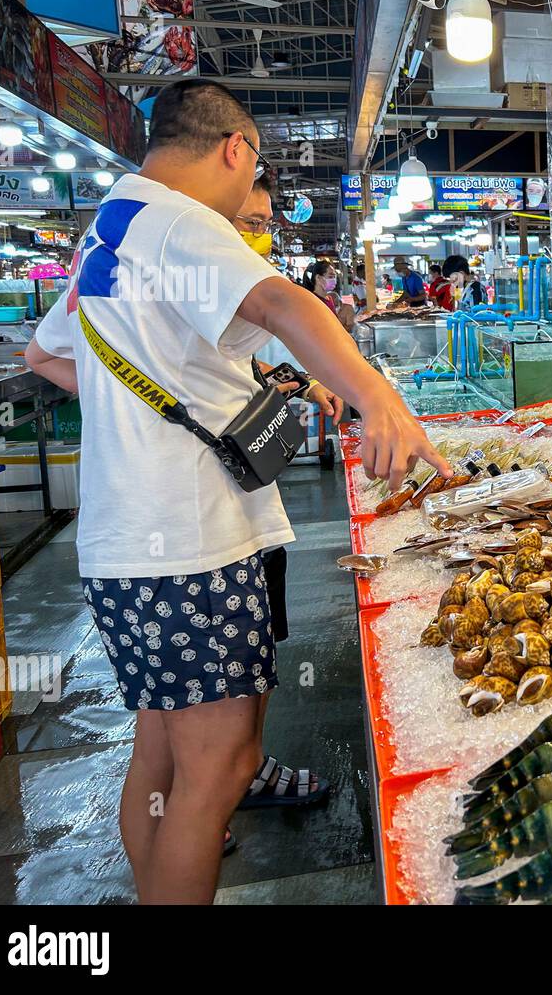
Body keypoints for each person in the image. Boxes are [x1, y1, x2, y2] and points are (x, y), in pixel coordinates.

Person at [25, 77, 448, 904]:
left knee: (162, 759)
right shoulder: (179, 219)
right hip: (188, 540)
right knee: (219, 768)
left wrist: (153, 398)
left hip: (124, 544)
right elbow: (283, 300)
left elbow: (45, 355)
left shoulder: (110, 227)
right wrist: (380, 398)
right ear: (235, 149)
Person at [235, 174, 342, 819]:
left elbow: (245, 366)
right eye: (250, 222)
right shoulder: (205, 268)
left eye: (264, 224)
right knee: (205, 704)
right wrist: (374, 397)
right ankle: (218, 790)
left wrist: (299, 386)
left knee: (258, 653)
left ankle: (243, 769)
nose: (261, 235)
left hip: (249, 512)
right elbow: (291, 310)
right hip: (204, 532)